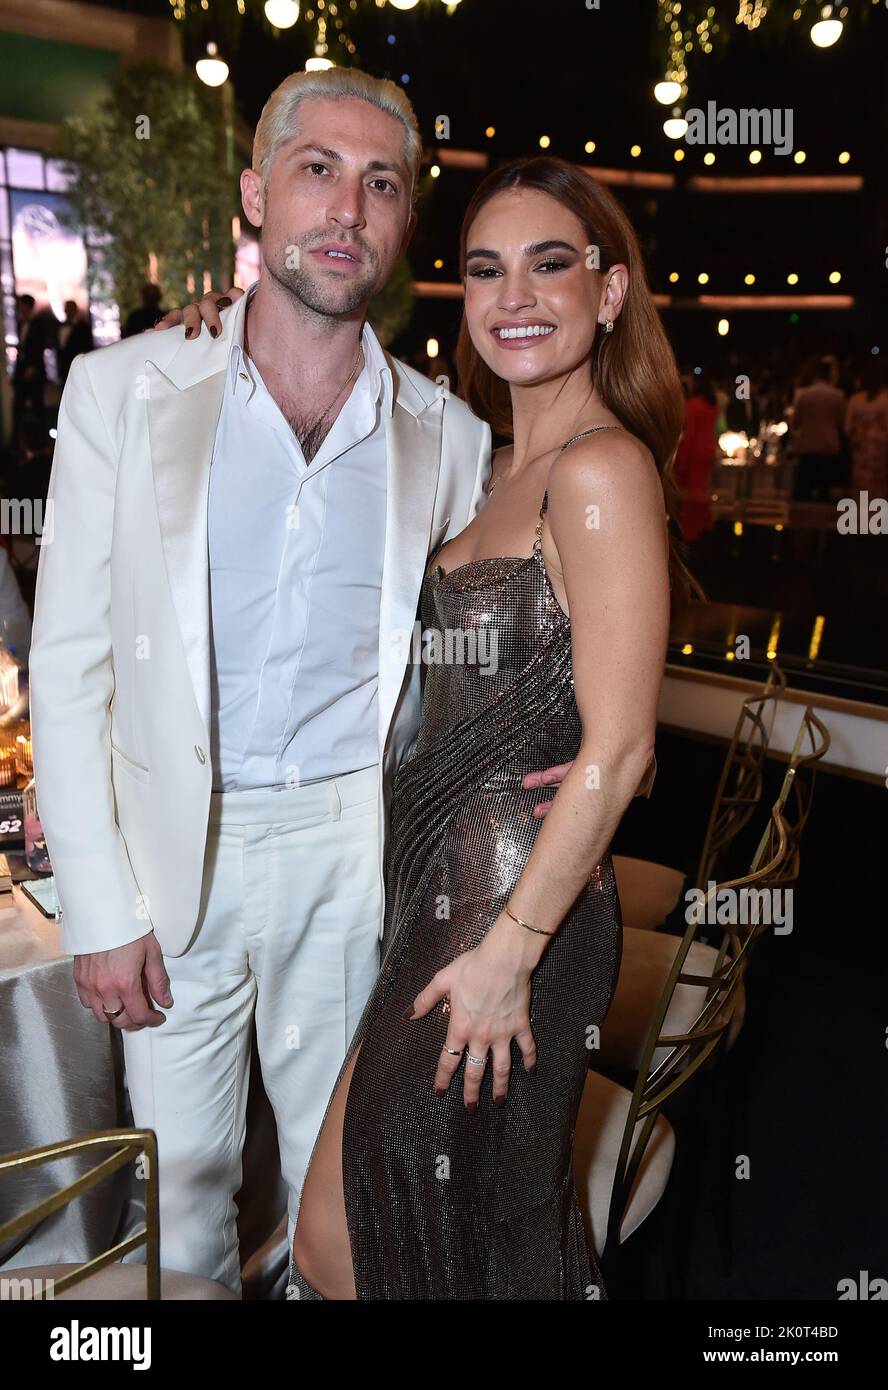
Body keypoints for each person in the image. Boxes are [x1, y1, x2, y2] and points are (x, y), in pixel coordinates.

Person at [28, 67, 571, 1296]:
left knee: (345, 1183)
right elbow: (67, 664)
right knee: (189, 1181)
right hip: (175, 859)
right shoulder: (126, 392)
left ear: (402, 221)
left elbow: (464, 654)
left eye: (381, 184)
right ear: (255, 195)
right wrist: (99, 908)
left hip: (348, 846)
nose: (347, 206)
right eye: (316, 169)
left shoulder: (447, 433)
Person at [181, 154, 687, 1299]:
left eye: (550, 266)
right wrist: (223, 331)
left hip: (516, 918)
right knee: (409, 1240)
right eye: (486, 269)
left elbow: (622, 751)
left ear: (609, 293)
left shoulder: (600, 470)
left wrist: (513, 953)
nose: (515, 296)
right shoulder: (495, 463)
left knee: (376, 1240)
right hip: (432, 903)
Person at [790, 355, 846, 501]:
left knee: (803, 491)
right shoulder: (838, 395)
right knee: (824, 492)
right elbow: (841, 422)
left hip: (808, 445)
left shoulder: (804, 395)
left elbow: (795, 422)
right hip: (829, 445)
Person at [674, 370, 718, 542]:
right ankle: (703, 526)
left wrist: (682, 459)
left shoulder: (693, 405)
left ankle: (691, 532)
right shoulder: (711, 405)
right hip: (707, 450)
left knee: (690, 493)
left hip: (694, 452)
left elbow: (690, 434)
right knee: (701, 490)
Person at [844, 359, 888, 499]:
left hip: (860, 447)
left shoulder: (855, 400)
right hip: (881, 447)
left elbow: (847, 427)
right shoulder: (885, 399)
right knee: (879, 483)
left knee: (861, 484)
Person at [12, 294, 48, 446]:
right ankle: (18, 442)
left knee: (37, 407)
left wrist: (33, 367)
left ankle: (40, 443)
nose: (19, 309)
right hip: (22, 372)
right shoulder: (21, 323)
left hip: (34, 372)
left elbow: (39, 346)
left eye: (21, 305)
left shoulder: (39, 323)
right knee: (18, 408)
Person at [56, 299, 94, 384]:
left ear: (75, 310)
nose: (67, 310)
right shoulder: (60, 326)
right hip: (63, 367)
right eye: (66, 308)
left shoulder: (83, 327)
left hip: (77, 366)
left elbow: (88, 347)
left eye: (70, 308)